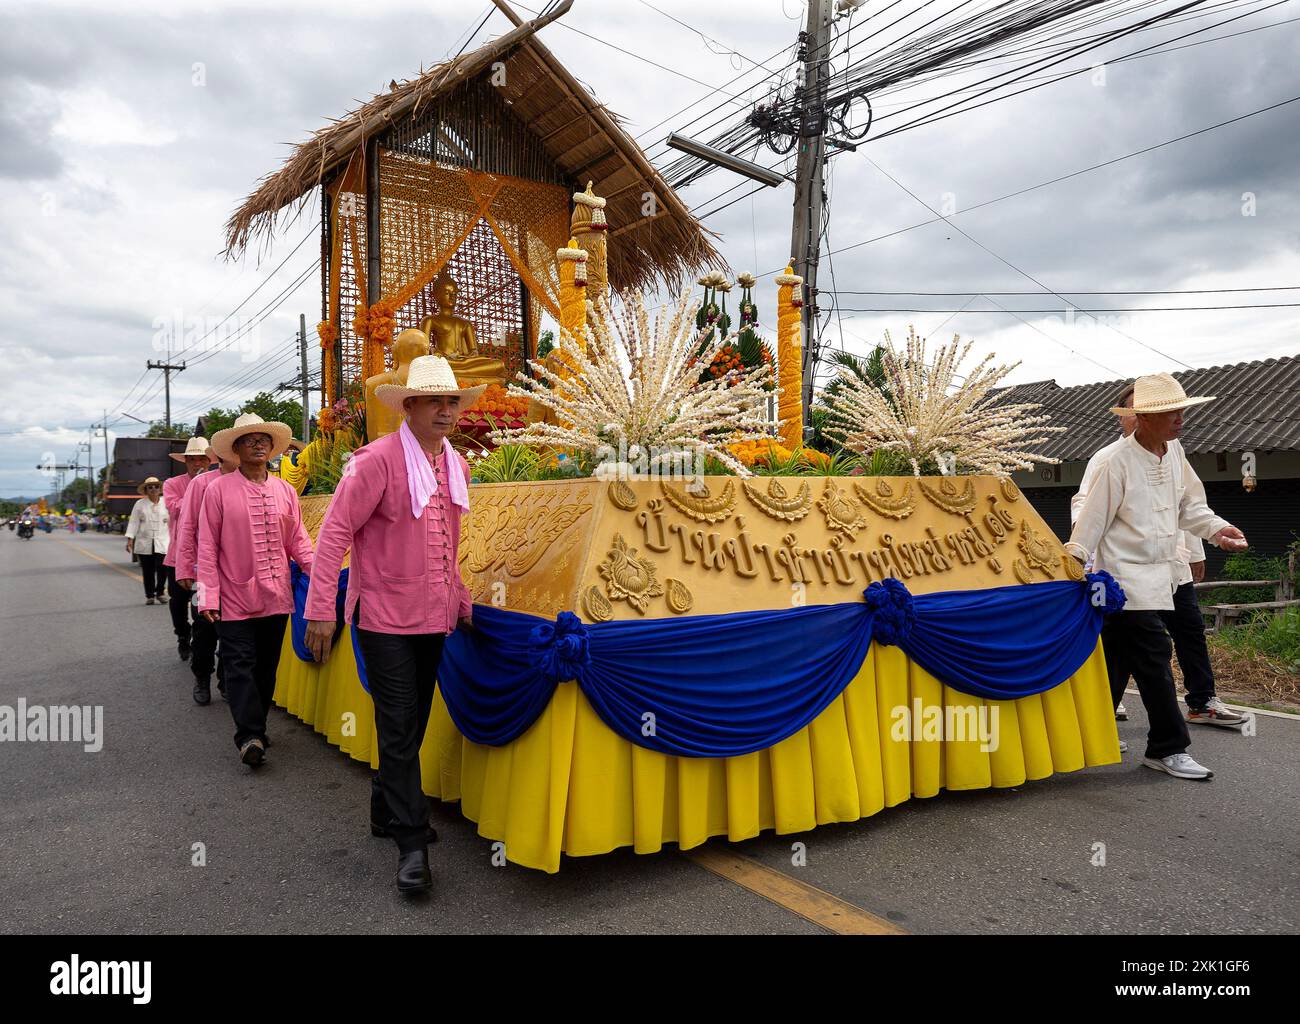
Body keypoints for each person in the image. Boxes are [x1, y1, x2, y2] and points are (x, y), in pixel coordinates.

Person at [305, 355, 482, 895]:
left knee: (411, 721)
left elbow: (449, 543)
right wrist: (319, 610)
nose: (446, 410)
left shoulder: (456, 464)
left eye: (452, 401)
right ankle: (411, 844)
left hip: (433, 615)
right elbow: (333, 533)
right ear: (409, 406)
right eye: (436, 401)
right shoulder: (374, 462)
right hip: (381, 617)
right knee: (402, 724)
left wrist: (461, 598)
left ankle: (385, 808)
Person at [1067, 373, 1248, 781]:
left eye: (1182, 410)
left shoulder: (1175, 451)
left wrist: (1217, 530)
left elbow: (1187, 507)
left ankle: (1086, 731)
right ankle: (1167, 747)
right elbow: (1090, 516)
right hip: (1124, 580)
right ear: (1141, 418)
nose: (1180, 418)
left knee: (1116, 658)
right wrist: (1076, 561)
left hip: (1165, 572)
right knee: (1154, 655)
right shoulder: (1114, 461)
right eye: (1170, 412)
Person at [197, 414, 314, 767]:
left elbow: (298, 541)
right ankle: (248, 735)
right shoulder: (217, 490)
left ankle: (257, 727)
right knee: (239, 665)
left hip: (276, 596)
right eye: (250, 440)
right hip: (233, 597)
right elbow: (207, 547)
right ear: (236, 449)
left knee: (266, 668)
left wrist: (319, 573)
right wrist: (207, 595)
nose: (259, 444)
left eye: (264, 439)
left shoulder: (284, 490)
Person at [175, 447, 236, 706]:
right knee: (203, 629)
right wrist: (185, 567)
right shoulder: (201, 483)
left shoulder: (250, 482)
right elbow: (187, 525)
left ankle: (225, 680)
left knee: (233, 630)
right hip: (203, 570)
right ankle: (202, 677)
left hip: (237, 574)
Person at [164, 437, 215, 663]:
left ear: (210, 460)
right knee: (177, 603)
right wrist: (196, 489)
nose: (197, 463)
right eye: (192, 459)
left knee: (200, 608)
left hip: (205, 560)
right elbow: (176, 510)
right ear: (185, 461)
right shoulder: (172, 484)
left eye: (202, 458)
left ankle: (198, 644)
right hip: (178, 557)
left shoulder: (218, 482)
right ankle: (182, 635)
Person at [126, 478, 170, 605]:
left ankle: (160, 592)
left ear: (160, 489)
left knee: (163, 568)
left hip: (163, 541)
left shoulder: (166, 502)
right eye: (150, 487)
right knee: (148, 570)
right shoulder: (140, 504)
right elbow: (133, 522)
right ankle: (150, 595)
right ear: (146, 490)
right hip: (145, 541)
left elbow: (174, 518)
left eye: (156, 486)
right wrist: (130, 539)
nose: (153, 489)